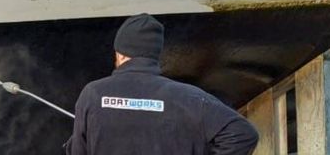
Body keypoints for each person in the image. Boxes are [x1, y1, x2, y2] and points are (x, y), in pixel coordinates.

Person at [64, 14, 259, 155]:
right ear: (154, 55)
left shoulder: (93, 94)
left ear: (120, 53)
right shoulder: (188, 98)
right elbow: (243, 134)